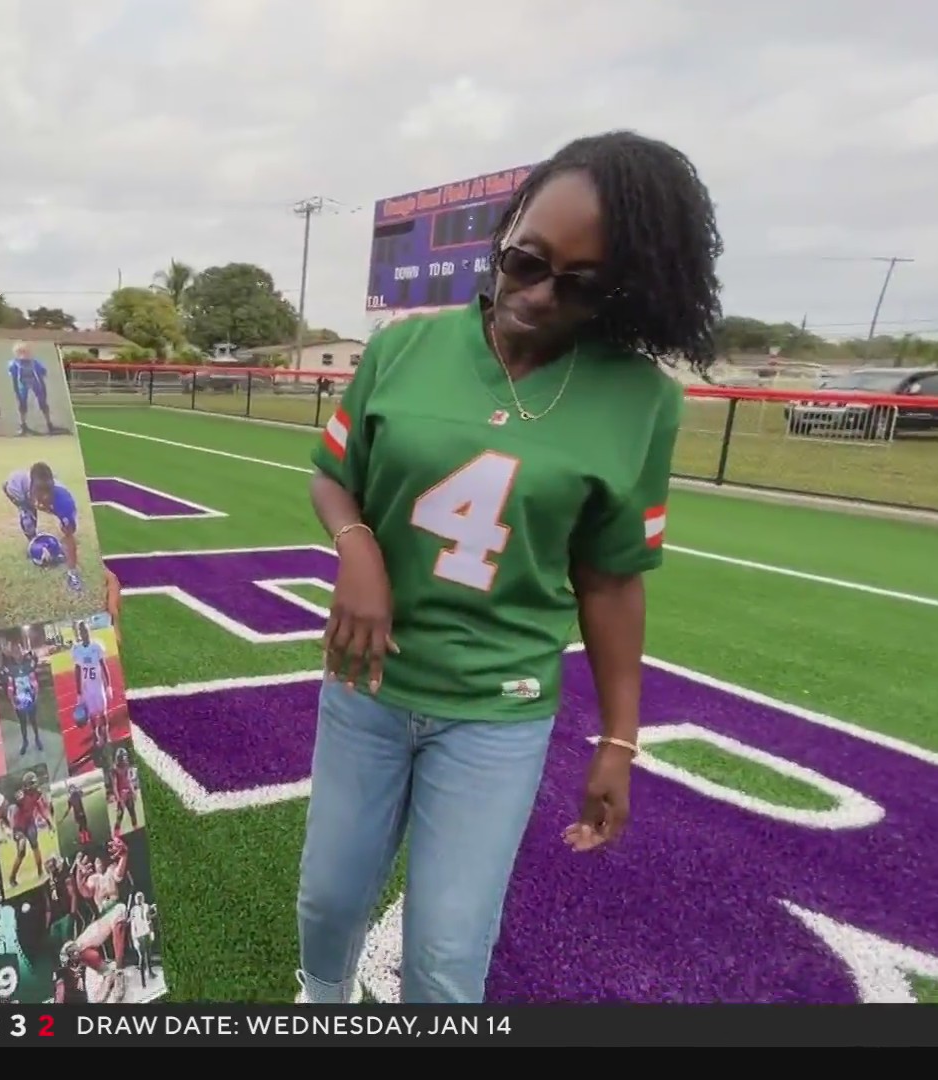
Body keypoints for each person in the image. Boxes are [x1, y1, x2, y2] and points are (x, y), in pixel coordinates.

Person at [294, 130, 721, 1005]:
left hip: (497, 712)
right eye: (527, 260)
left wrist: (619, 739)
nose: (537, 294)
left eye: (581, 283)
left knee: (446, 962)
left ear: (629, 288)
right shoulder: (403, 348)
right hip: (366, 686)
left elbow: (611, 577)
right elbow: (334, 481)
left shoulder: (641, 399)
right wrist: (358, 547)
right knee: (329, 900)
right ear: (506, 232)